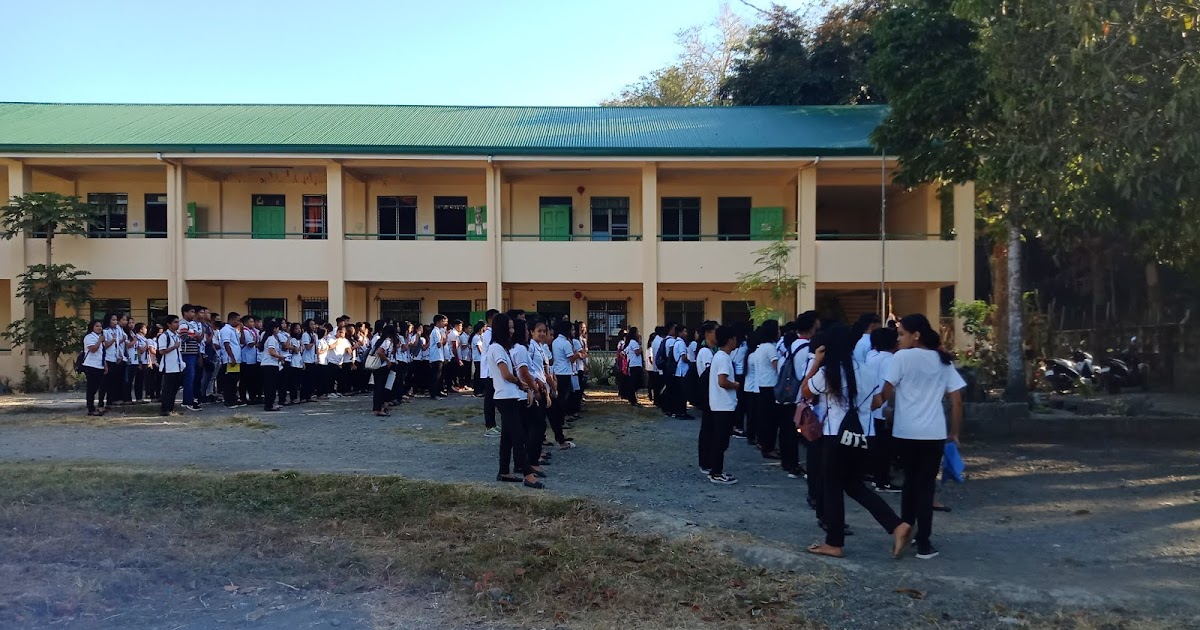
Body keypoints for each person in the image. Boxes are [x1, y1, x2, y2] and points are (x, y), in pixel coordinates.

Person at [803, 323, 911, 560]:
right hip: (863, 436)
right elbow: (875, 402)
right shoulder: (866, 369)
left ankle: (834, 542)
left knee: (831, 488)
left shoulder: (828, 372)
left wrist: (816, 363)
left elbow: (805, 392)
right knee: (855, 486)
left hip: (835, 436)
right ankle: (896, 525)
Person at [877, 313, 965, 560]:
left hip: (906, 431)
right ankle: (924, 541)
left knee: (909, 484)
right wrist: (954, 432)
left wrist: (879, 407)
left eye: (902, 333)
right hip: (934, 432)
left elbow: (886, 392)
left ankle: (905, 528)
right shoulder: (942, 360)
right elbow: (957, 401)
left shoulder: (902, 358)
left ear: (915, 335)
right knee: (926, 487)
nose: (898, 338)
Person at [488, 313, 543, 489]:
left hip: (510, 395)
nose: (512, 331)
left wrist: (523, 388)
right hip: (505, 397)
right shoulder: (496, 348)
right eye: (510, 327)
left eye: (513, 327)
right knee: (518, 436)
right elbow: (506, 374)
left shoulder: (503, 349)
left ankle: (504, 470)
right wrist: (523, 385)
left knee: (507, 437)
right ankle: (527, 473)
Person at [866, 327, 902, 493]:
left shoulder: (872, 357)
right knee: (885, 447)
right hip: (885, 407)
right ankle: (883, 480)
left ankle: (877, 477)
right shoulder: (892, 360)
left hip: (873, 405)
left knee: (877, 445)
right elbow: (891, 386)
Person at [704, 325, 740, 485]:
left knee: (718, 439)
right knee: (721, 441)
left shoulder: (718, 356)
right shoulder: (724, 358)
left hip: (718, 404)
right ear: (730, 340)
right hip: (723, 405)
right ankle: (716, 472)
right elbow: (722, 381)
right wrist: (735, 385)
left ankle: (715, 470)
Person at [156, 315, 185, 416]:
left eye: (178, 322)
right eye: (175, 322)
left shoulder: (176, 336)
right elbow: (162, 351)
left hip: (177, 366)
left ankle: (171, 408)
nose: (177, 324)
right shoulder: (164, 336)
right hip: (169, 367)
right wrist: (174, 347)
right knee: (167, 389)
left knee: (174, 389)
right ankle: (165, 409)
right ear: (169, 324)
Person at [370, 324, 397, 417]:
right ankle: (379, 408)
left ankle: (378, 407)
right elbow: (380, 352)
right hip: (382, 366)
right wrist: (387, 360)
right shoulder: (387, 341)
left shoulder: (380, 340)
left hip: (377, 366)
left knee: (378, 387)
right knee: (381, 388)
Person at [81, 320, 107, 416]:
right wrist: (99, 341)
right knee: (91, 388)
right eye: (97, 326)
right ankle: (90, 408)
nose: (99, 328)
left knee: (98, 387)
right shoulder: (89, 337)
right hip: (91, 365)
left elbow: (102, 352)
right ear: (92, 327)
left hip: (99, 365)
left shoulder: (99, 337)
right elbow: (93, 349)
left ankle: (98, 406)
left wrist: (105, 364)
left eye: (100, 326)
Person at [258, 319, 285, 412]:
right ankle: (269, 405)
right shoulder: (271, 339)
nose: (278, 331)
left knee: (270, 386)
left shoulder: (269, 338)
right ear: (274, 329)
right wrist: (281, 357)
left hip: (269, 364)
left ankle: (270, 403)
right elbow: (271, 351)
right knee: (270, 386)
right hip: (270, 365)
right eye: (277, 328)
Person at [178, 305, 201, 410]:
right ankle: (188, 401)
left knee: (192, 378)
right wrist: (194, 336)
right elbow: (184, 338)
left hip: (193, 352)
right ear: (185, 312)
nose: (193, 314)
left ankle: (190, 399)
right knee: (189, 378)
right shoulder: (183, 324)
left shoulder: (192, 324)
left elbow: (199, 338)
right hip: (187, 353)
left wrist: (197, 336)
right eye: (191, 312)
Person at [622, 327, 644, 406]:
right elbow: (637, 352)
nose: (639, 334)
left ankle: (633, 399)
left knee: (633, 383)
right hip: (635, 365)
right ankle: (633, 400)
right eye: (637, 332)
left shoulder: (630, 343)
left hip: (632, 365)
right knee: (635, 383)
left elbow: (623, 353)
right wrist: (641, 346)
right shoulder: (634, 343)